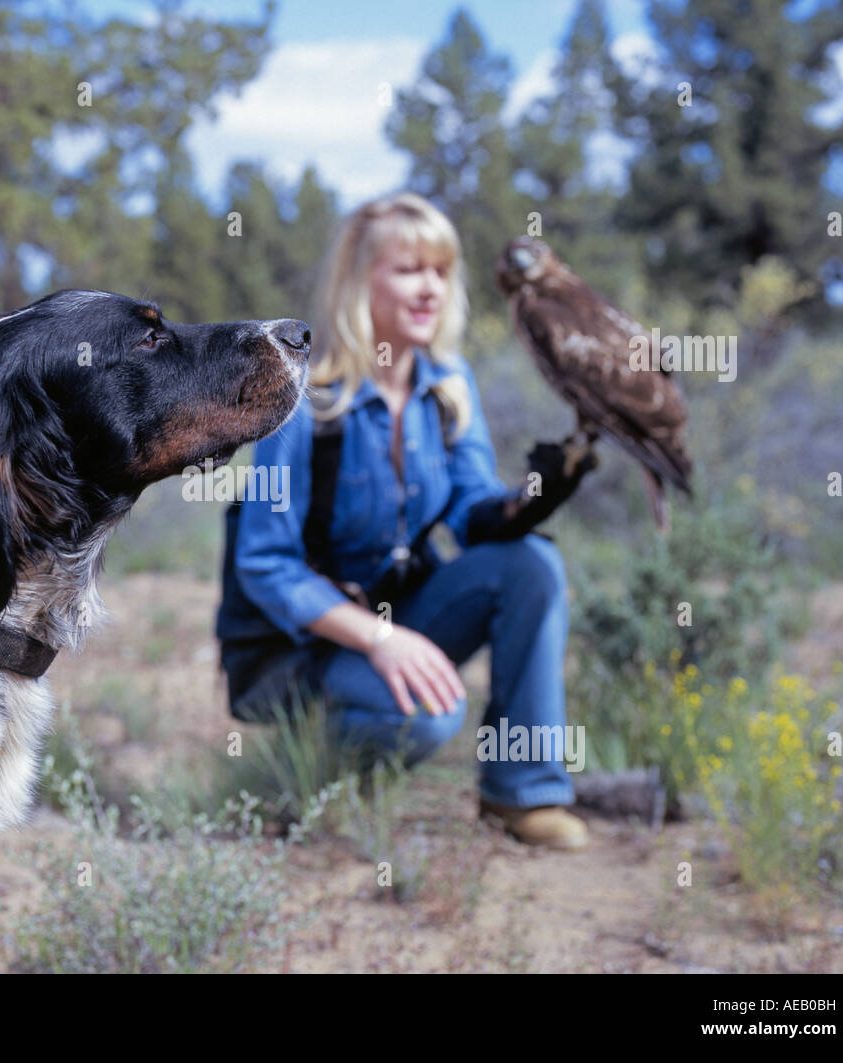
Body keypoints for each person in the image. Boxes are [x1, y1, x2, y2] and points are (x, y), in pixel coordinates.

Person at [216, 192, 596, 850]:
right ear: (360, 280)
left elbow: (473, 509)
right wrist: (378, 639)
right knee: (430, 717)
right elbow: (264, 562)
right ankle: (312, 770)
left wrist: (537, 492)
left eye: (442, 272)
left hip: (399, 614)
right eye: (410, 270)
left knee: (532, 562)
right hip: (310, 646)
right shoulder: (306, 398)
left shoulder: (449, 383)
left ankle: (520, 794)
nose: (431, 290)